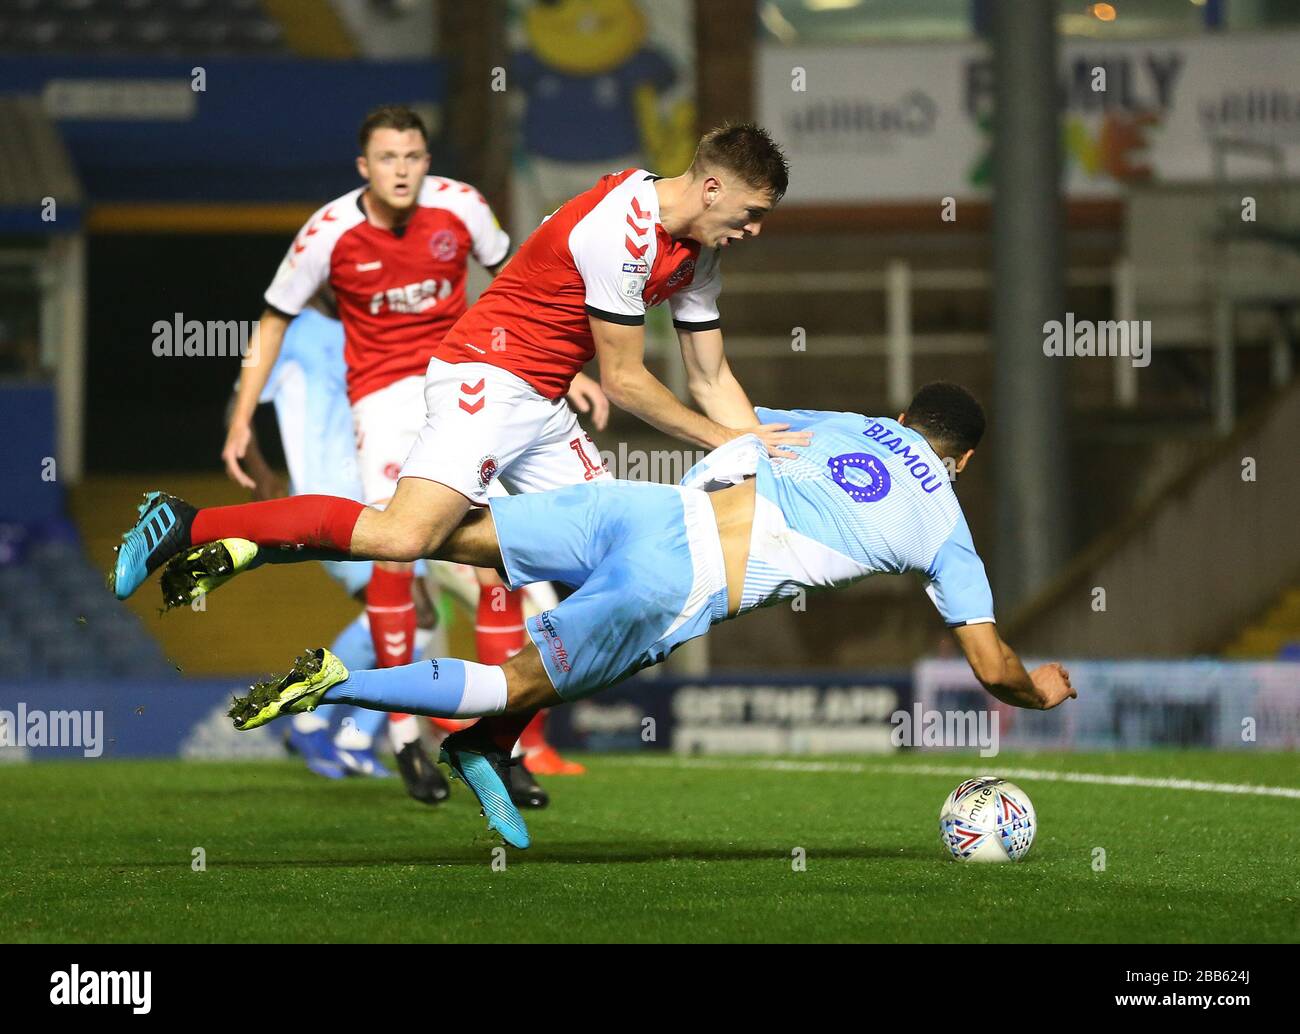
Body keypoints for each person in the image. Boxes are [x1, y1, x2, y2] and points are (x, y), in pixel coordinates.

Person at [110, 121, 810, 764]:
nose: (751, 231)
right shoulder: (622, 228)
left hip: (541, 400)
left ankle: (486, 736)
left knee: (629, 570)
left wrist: (757, 451)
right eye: (750, 215)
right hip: (486, 378)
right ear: (712, 187)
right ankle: (189, 524)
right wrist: (728, 443)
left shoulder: (694, 255)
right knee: (400, 538)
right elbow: (626, 381)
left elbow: (711, 375)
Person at [200, 384, 1078, 850]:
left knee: (428, 533)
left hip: (642, 507)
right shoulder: (947, 526)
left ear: (900, 421)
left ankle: (237, 543)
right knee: (517, 678)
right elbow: (994, 668)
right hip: (680, 582)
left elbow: (735, 418)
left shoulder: (849, 423)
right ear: (960, 461)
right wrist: (1038, 690)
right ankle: (341, 682)